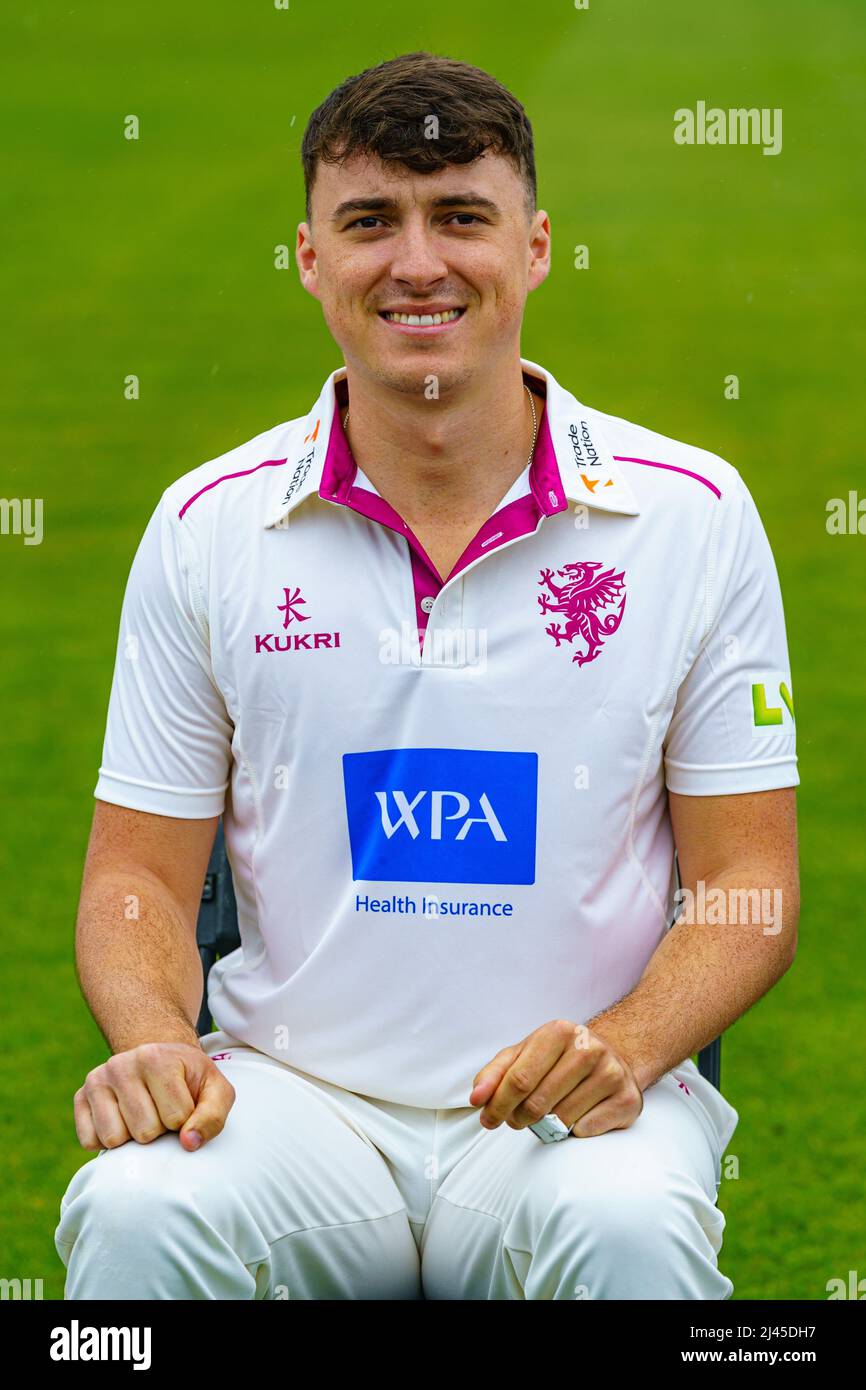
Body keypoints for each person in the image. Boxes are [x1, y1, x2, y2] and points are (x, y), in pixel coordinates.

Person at [55, 51, 800, 1300]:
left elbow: (749, 881)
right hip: (293, 1099)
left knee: (624, 1233)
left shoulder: (693, 515)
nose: (416, 263)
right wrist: (149, 1046)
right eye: (368, 223)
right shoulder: (206, 526)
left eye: (460, 217)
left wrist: (619, 1049)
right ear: (307, 258)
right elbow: (136, 874)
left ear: (535, 245)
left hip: (570, 1112)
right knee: (133, 1209)